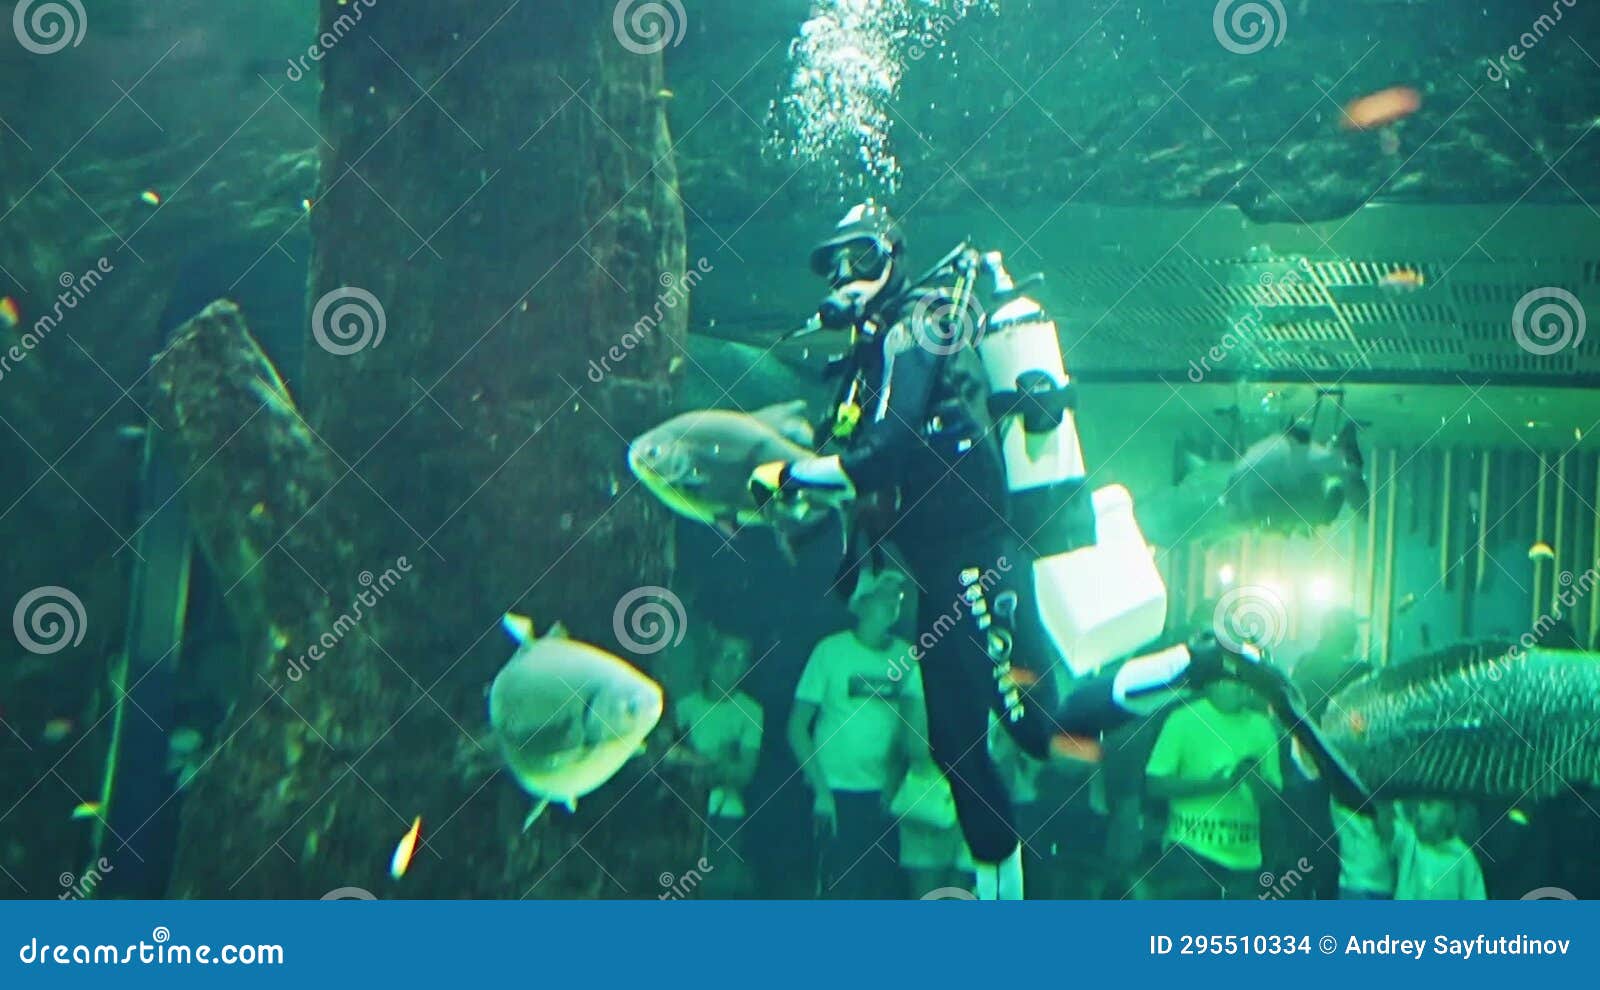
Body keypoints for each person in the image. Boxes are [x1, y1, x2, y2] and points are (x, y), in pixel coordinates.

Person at [750, 202, 1303, 899]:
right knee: (955, 750)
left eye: (861, 256)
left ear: (893, 256)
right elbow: (874, 464)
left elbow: (885, 452)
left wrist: (790, 473)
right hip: (941, 578)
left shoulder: (916, 329)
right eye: (832, 264)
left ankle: (1201, 659)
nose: (845, 275)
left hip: (976, 566)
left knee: (1042, 730)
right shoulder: (876, 352)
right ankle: (1000, 910)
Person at [788, 567, 915, 898]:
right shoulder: (830, 651)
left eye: (897, 598)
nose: (892, 604)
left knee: (881, 891)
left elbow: (910, 729)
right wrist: (821, 791)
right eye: (883, 596)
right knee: (839, 890)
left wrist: (894, 783)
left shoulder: (908, 656)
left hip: (884, 797)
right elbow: (797, 726)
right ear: (861, 603)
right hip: (834, 792)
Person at [1142, 679, 1283, 898]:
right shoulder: (1182, 720)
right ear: (1212, 684)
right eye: (1233, 680)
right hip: (1189, 855)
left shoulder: (1263, 727)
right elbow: (1155, 784)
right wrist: (1217, 785)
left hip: (1244, 861)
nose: (1243, 685)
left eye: (1244, 679)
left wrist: (1252, 780)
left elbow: (1273, 798)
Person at [672, 633, 764, 897]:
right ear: (710, 660)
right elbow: (671, 762)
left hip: (726, 816)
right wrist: (717, 761)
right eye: (728, 657)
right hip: (684, 816)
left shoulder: (751, 711)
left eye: (743, 659)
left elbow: (744, 772)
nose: (735, 666)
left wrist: (704, 765)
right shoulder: (685, 707)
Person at [1387, 798, 1487, 900]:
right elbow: (1387, 826)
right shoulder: (1409, 841)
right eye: (1417, 807)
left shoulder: (1463, 857)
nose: (1420, 811)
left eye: (1428, 805)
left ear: (1449, 812)